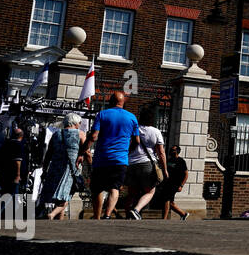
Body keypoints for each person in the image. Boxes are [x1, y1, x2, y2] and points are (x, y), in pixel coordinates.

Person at [85, 91, 141, 220]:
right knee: (114, 188)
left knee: (97, 188)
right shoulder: (132, 117)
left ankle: (97, 216)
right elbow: (137, 141)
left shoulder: (102, 114)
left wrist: (83, 150)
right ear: (123, 102)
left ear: (110, 101)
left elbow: (93, 136)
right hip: (120, 160)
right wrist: (127, 151)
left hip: (102, 158)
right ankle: (108, 215)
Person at [39, 113, 85, 220]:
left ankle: (59, 221)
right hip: (70, 169)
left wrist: (45, 169)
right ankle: (52, 214)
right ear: (75, 123)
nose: (79, 125)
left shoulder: (56, 134)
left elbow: (48, 153)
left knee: (59, 196)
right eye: (79, 123)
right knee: (66, 196)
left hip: (55, 168)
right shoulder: (80, 134)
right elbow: (86, 152)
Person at [126, 116, 167, 220]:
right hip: (146, 164)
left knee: (132, 191)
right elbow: (161, 153)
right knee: (150, 191)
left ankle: (128, 214)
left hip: (130, 163)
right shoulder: (156, 131)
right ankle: (136, 210)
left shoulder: (134, 129)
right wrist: (165, 169)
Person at [154, 144, 189, 220]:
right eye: (171, 150)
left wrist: (181, 185)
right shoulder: (169, 160)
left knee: (166, 199)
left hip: (175, 184)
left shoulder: (181, 161)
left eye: (173, 150)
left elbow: (186, 174)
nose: (171, 151)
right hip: (167, 184)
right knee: (171, 203)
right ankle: (183, 214)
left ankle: (164, 218)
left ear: (177, 151)